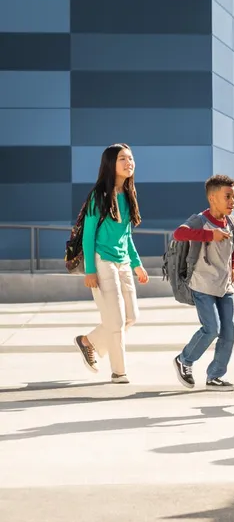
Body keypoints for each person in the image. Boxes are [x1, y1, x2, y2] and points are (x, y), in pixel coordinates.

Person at [73, 143, 149, 384]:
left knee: (131, 317)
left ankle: (88, 341)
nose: (129, 162)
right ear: (110, 164)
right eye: (122, 159)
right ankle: (119, 371)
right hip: (102, 260)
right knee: (115, 321)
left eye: (130, 158)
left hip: (123, 262)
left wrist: (137, 264)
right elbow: (88, 234)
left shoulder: (128, 195)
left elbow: (126, 236)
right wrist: (90, 270)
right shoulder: (99, 195)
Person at [171, 174, 234, 391]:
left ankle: (215, 376)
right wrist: (210, 235)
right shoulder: (200, 220)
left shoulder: (233, 223)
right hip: (202, 284)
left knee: (229, 331)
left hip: (224, 285)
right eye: (227, 196)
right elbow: (179, 234)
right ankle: (184, 360)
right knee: (212, 329)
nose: (232, 201)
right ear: (212, 198)